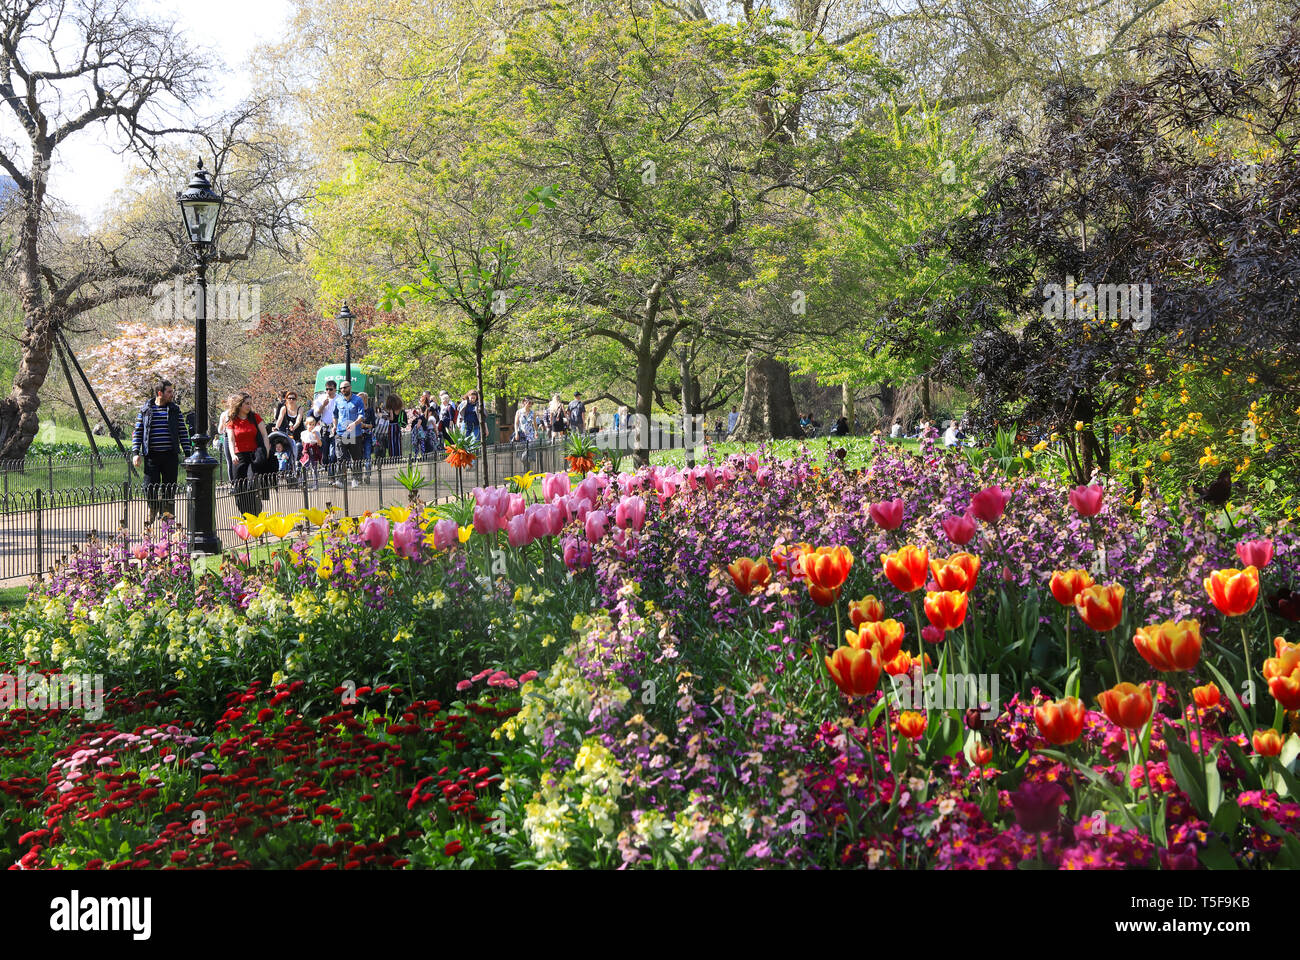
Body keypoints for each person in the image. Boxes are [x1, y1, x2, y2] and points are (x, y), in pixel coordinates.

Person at [130, 380, 194, 524]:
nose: (172, 394)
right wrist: (135, 452)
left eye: (172, 391)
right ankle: (153, 507)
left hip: (170, 455)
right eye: (169, 392)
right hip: (151, 456)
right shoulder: (146, 410)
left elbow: (182, 431)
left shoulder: (174, 410)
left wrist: (187, 452)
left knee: (169, 488)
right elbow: (138, 431)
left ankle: (168, 517)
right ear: (160, 393)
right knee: (149, 487)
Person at [223, 393, 272, 517]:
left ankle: (256, 512)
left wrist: (266, 450)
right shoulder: (232, 420)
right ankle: (246, 515)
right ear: (239, 404)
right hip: (239, 457)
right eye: (246, 403)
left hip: (253, 456)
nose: (249, 406)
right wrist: (233, 454)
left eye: (250, 403)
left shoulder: (255, 417)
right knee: (240, 488)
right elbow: (231, 440)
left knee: (251, 484)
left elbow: (265, 435)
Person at [333, 380, 366, 488]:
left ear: (350, 387)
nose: (343, 390)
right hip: (341, 433)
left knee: (355, 457)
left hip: (354, 434)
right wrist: (334, 426)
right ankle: (340, 480)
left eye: (345, 388)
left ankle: (356, 479)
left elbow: (361, 416)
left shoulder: (358, 400)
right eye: (341, 388)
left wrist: (354, 424)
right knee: (340, 457)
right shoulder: (338, 400)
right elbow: (335, 415)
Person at [312, 380, 339, 478]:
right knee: (325, 453)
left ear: (335, 389)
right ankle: (328, 470)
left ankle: (331, 475)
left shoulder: (339, 399)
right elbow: (316, 414)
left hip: (335, 429)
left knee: (333, 453)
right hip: (324, 429)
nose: (328, 391)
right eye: (327, 389)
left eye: (331, 389)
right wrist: (323, 405)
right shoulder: (321, 398)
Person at [274, 389, 305, 462]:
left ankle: (298, 463)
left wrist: (294, 427)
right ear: (286, 399)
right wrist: (276, 427)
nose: (291, 400)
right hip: (289, 432)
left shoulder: (300, 408)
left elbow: (298, 420)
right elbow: (280, 419)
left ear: (296, 400)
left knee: (298, 446)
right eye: (289, 398)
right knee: (286, 447)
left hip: (298, 432)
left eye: (293, 398)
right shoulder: (284, 408)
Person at [357, 391, 377, 481]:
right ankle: (358, 475)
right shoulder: (355, 410)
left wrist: (364, 425)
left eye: (361, 398)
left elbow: (373, 424)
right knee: (358, 456)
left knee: (367, 455)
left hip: (367, 436)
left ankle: (367, 475)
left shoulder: (370, 410)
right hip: (357, 436)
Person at [299, 416, 324, 487]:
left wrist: (315, 435)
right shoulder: (303, 433)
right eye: (310, 424)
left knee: (314, 468)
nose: (312, 426)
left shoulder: (317, 433)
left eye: (313, 424)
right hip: (307, 451)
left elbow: (320, 444)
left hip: (314, 450)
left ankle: (315, 484)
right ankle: (303, 482)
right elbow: (303, 443)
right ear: (306, 425)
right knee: (305, 466)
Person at [384, 393, 407, 457]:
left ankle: (393, 456)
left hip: (392, 426)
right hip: (398, 426)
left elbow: (391, 418)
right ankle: (399, 455)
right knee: (398, 441)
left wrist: (386, 418)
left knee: (392, 442)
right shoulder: (399, 408)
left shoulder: (391, 409)